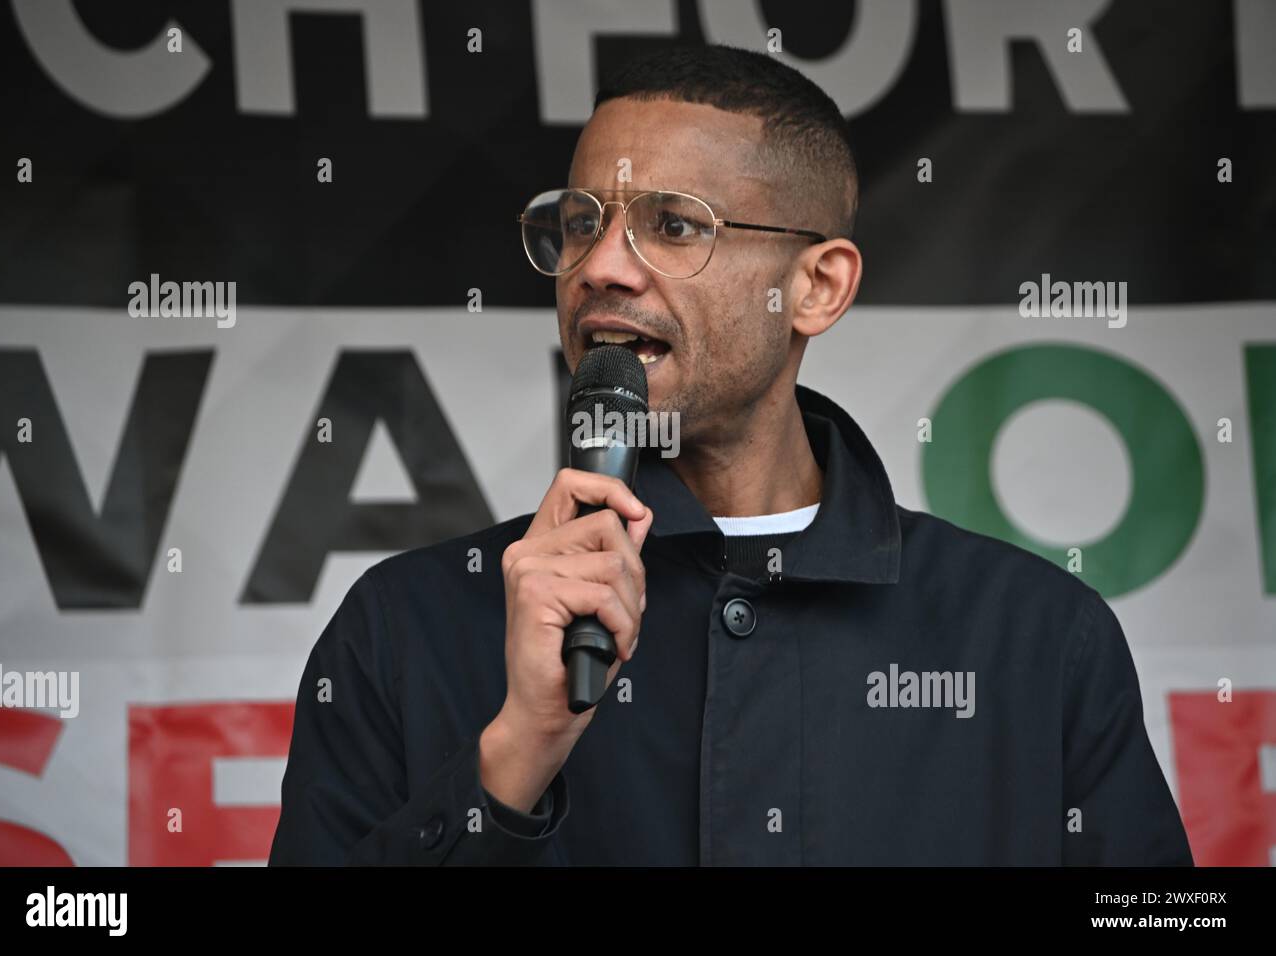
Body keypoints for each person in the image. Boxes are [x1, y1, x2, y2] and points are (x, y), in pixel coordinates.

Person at [268, 44, 1193, 866]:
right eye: (583, 221)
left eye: (675, 226)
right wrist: (515, 754)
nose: (601, 267)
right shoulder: (404, 628)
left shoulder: (1035, 637)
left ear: (816, 288)